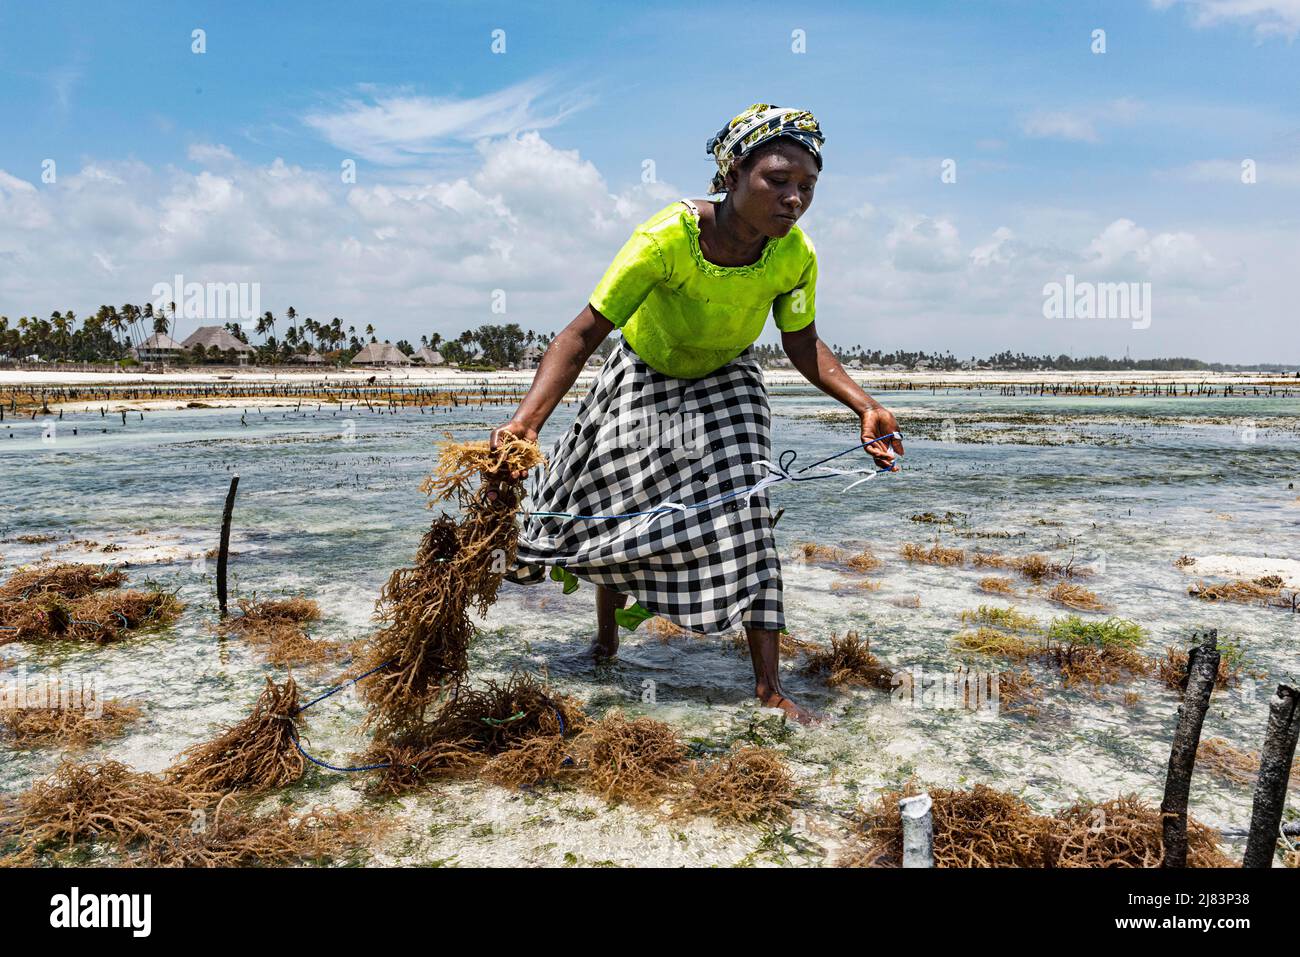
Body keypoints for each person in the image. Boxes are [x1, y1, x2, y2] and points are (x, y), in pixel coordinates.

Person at [486, 103, 903, 724]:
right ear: (732, 175)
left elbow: (802, 343)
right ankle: (605, 641)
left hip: (726, 377)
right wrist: (526, 424)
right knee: (613, 503)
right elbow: (583, 333)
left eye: (807, 188)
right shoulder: (667, 238)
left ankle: (768, 687)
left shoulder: (794, 256)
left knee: (749, 505)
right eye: (779, 181)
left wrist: (865, 405)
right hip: (645, 370)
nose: (794, 199)